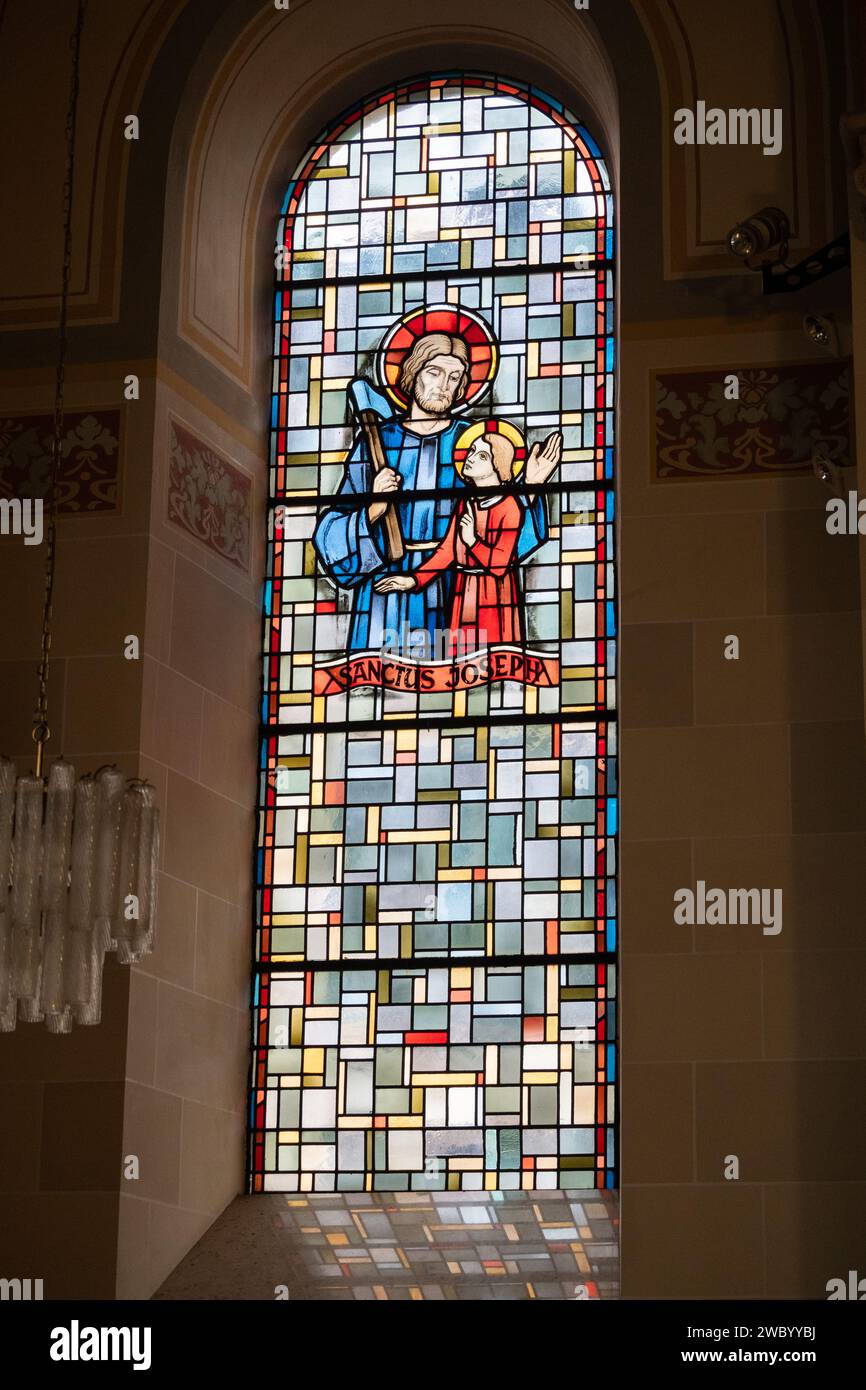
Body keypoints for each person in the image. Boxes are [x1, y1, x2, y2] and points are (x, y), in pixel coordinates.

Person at [313, 327, 561, 655]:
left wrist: (529, 487)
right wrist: (373, 508)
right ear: (413, 374)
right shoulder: (376, 443)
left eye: (455, 377)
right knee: (378, 688)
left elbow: (504, 533)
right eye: (435, 372)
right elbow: (329, 534)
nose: (445, 385)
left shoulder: (474, 443)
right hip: (383, 593)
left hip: (456, 586)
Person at [373, 427, 526, 656]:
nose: (471, 458)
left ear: (499, 466)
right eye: (472, 450)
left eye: (482, 456)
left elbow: (500, 565)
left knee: (494, 662)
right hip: (463, 591)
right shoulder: (468, 501)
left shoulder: (509, 506)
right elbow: (448, 551)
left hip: (495, 596)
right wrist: (414, 580)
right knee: (461, 661)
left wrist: (472, 541)